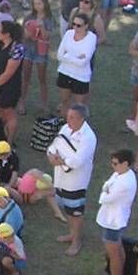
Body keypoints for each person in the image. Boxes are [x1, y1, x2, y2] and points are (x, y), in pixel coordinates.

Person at [50, 104, 96, 256]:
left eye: (72, 117)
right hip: (61, 177)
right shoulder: (65, 128)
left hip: (76, 182)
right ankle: (72, 234)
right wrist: (51, 156)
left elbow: (78, 161)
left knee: (75, 212)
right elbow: (54, 145)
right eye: (68, 116)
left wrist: (61, 161)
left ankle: (77, 240)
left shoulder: (88, 137)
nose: (67, 120)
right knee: (66, 208)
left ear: (82, 119)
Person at [96, 149, 138, 275]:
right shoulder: (123, 174)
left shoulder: (124, 182)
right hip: (115, 219)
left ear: (125, 163)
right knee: (118, 249)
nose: (112, 166)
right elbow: (106, 186)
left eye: (115, 163)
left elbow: (104, 197)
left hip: (113, 221)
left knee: (113, 254)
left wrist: (105, 190)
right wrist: (106, 189)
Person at [54, 8, 97, 118]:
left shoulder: (91, 38)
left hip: (81, 76)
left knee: (79, 107)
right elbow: (59, 55)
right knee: (65, 102)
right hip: (65, 72)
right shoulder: (68, 34)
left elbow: (83, 62)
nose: (75, 27)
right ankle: (64, 125)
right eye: (74, 24)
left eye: (79, 25)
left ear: (86, 26)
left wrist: (67, 55)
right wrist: (75, 57)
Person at [0, 21, 25, 142]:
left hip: (9, 87)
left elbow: (9, 73)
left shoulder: (17, 49)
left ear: (7, 34)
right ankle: (0, 135)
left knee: (9, 113)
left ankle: (9, 141)